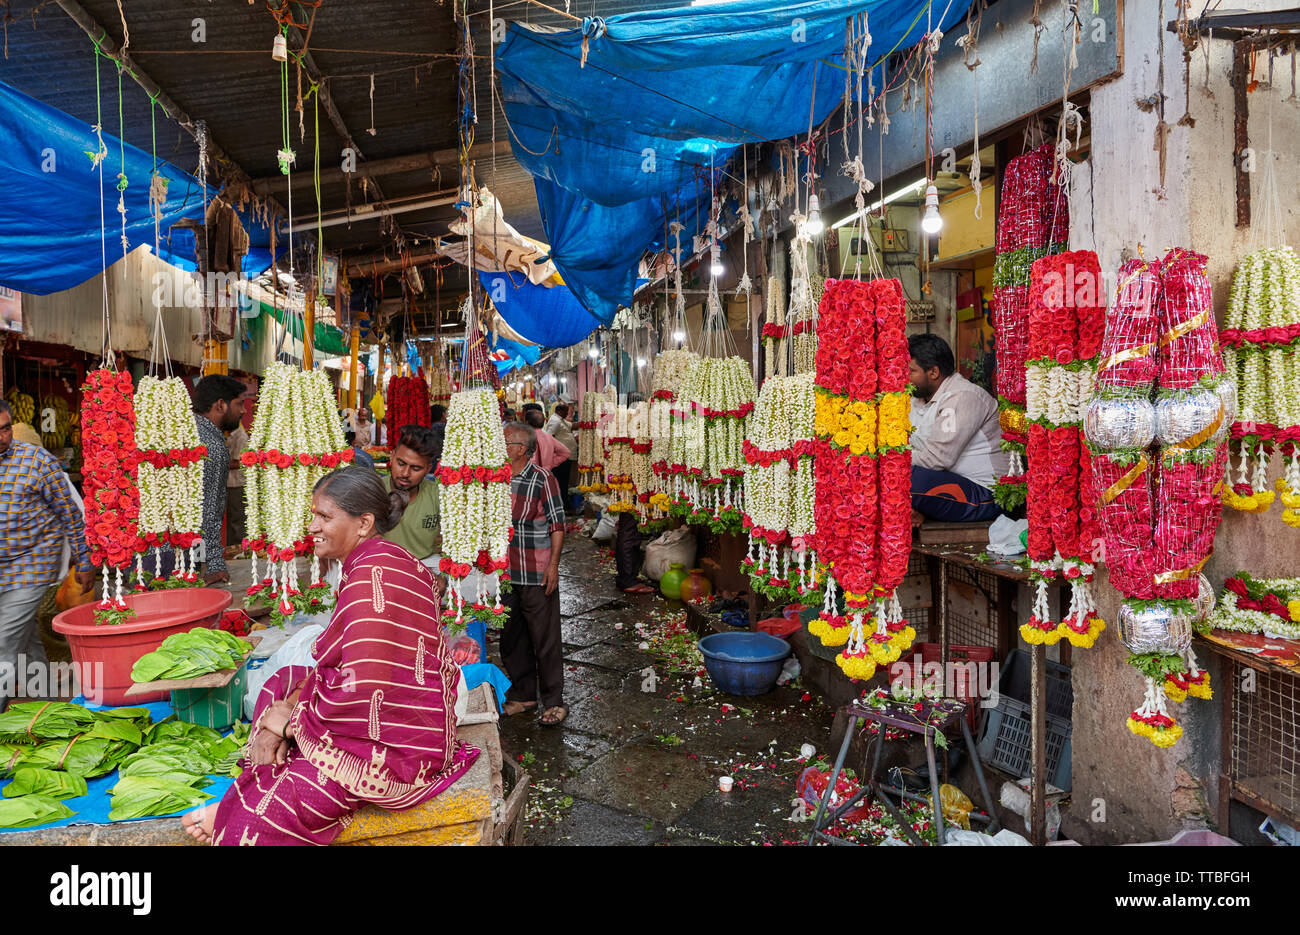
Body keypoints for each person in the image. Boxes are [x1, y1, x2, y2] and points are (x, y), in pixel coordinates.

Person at [181, 467, 478, 845]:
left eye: (324, 516)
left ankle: (243, 802)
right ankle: (254, 784)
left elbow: (362, 688)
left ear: (364, 523)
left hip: (396, 743)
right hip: (405, 707)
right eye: (313, 515)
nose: (313, 526)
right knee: (286, 680)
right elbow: (350, 666)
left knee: (254, 824)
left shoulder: (372, 579)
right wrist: (290, 711)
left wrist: (289, 723)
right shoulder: (382, 559)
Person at [0, 402, 93, 711]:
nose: (1, 436)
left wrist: (84, 559)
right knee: (26, 647)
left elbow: (71, 514)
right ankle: (48, 712)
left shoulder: (37, 461)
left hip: (31, 566)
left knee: (4, 641)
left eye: (4, 428)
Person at [500, 423, 567, 727]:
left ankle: (554, 701)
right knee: (512, 636)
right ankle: (524, 695)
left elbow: (557, 525)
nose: (501, 445)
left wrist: (553, 566)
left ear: (522, 449)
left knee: (545, 638)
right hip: (504, 571)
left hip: (536, 570)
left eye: (506, 441)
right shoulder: (496, 477)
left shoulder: (543, 478)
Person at [908, 334, 1008, 523]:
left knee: (905, 479)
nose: (905, 378)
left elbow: (936, 460)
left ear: (934, 372)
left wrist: (890, 461)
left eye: (911, 371)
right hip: (948, 480)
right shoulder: (918, 399)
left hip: (987, 495)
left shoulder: (962, 396)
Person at [193, 374, 248, 584]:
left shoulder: (189, 429)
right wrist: (214, 563)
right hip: (182, 550)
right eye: (239, 404)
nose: (243, 410)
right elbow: (209, 508)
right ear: (220, 405)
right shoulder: (212, 446)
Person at [381, 425, 442, 565]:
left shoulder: (437, 494)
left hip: (425, 564)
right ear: (392, 457)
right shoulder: (373, 491)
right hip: (381, 565)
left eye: (416, 468)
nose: (405, 473)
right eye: (401, 463)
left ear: (427, 469)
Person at [544, 403, 577, 509]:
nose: (568, 413)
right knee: (561, 482)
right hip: (560, 458)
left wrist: (589, 423)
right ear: (560, 411)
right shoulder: (555, 421)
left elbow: (572, 426)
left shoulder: (560, 420)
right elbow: (549, 437)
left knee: (564, 482)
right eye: (566, 411)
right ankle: (561, 505)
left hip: (565, 457)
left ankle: (563, 504)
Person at [523, 408, 572, 476]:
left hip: (528, 475)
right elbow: (566, 452)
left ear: (526, 422)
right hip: (545, 473)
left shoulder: (524, 437)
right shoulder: (549, 437)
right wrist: (550, 464)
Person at [225, 420, 249, 551]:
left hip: (237, 483)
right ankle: (230, 547)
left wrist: (219, 463)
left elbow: (239, 462)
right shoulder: (230, 435)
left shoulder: (241, 437)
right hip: (229, 483)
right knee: (231, 518)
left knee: (237, 519)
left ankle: (239, 548)